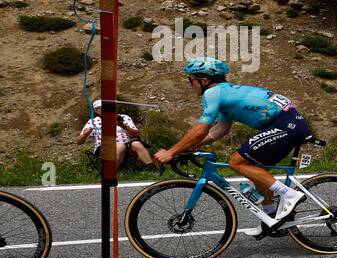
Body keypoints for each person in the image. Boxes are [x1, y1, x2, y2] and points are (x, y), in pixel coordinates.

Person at [154, 58, 310, 223]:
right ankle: (272, 218)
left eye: (190, 80)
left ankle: (291, 195)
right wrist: (191, 146)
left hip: (286, 124)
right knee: (256, 173)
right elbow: (221, 129)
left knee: (236, 162)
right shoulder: (225, 93)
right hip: (289, 123)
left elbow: (201, 130)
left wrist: (171, 152)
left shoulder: (212, 93)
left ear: (204, 80)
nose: (189, 84)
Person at [76, 100, 153, 168]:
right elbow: (78, 142)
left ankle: (151, 168)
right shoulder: (94, 121)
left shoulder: (123, 117)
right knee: (120, 146)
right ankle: (110, 172)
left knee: (137, 144)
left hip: (127, 145)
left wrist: (122, 125)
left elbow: (136, 134)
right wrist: (85, 134)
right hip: (104, 148)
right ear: (97, 110)